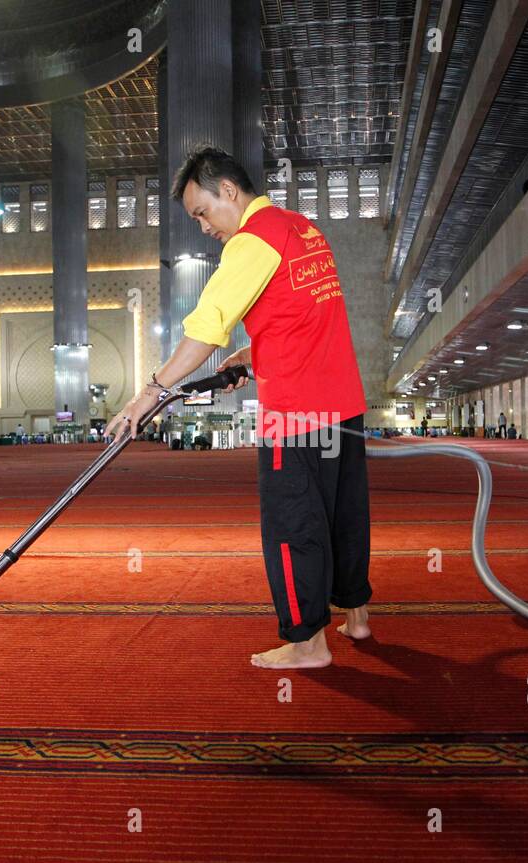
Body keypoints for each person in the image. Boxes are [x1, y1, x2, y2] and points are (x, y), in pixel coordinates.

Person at [104, 145, 371, 669]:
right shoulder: (302, 228)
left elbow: (205, 328)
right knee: (344, 517)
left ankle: (307, 644)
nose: (204, 227)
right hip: (344, 407)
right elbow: (304, 315)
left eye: (202, 212)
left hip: (294, 415)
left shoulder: (251, 242)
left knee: (294, 526)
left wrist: (148, 394)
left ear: (228, 191)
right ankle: (357, 616)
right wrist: (255, 353)